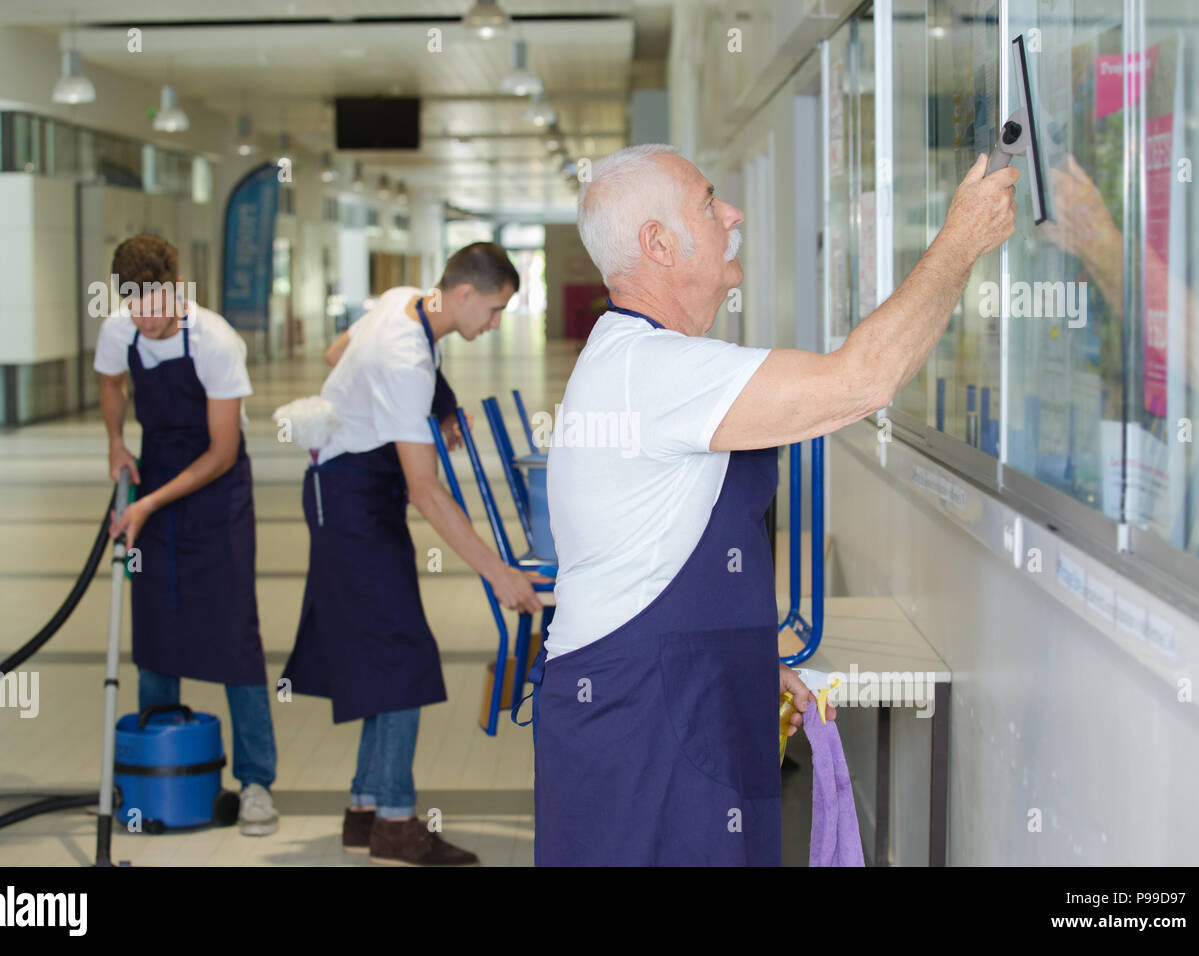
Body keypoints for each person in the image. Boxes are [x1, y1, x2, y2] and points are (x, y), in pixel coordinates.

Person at [535, 144, 1018, 865]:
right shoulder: (653, 370)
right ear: (658, 244)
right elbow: (865, 381)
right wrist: (962, 238)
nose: (732, 213)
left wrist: (745, 655)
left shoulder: (650, 358)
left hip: (688, 697)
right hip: (642, 723)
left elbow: (666, 542)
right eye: (708, 202)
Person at [281, 242, 547, 866]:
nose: (495, 323)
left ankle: (365, 811)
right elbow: (426, 489)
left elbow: (335, 353)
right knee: (401, 658)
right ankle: (398, 827)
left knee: (384, 656)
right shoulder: (406, 358)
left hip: (346, 494)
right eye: (494, 309)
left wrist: (443, 402)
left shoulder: (404, 301)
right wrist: (498, 571)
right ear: (461, 296)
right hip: (351, 505)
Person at [96, 234, 280, 836]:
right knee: (153, 625)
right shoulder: (121, 329)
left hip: (216, 493)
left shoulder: (215, 340)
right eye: (134, 305)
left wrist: (147, 502)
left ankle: (255, 783)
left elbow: (223, 451)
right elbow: (110, 383)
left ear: (177, 287)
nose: (146, 318)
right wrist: (117, 443)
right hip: (154, 474)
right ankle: (156, 762)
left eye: (155, 302)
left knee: (234, 632)